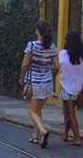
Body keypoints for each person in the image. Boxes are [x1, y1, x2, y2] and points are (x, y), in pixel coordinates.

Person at [20, 20, 60, 148]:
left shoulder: (31, 45)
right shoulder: (52, 46)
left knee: (32, 110)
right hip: (47, 83)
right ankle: (35, 136)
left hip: (34, 83)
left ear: (38, 31)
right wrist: (51, 76)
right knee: (38, 110)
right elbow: (57, 66)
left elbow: (25, 64)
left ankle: (43, 131)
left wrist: (22, 78)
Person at [58, 30, 83, 146]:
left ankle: (77, 138)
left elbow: (58, 67)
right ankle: (65, 133)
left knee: (71, 113)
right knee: (71, 111)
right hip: (79, 87)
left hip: (67, 87)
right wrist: (82, 76)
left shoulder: (63, 54)